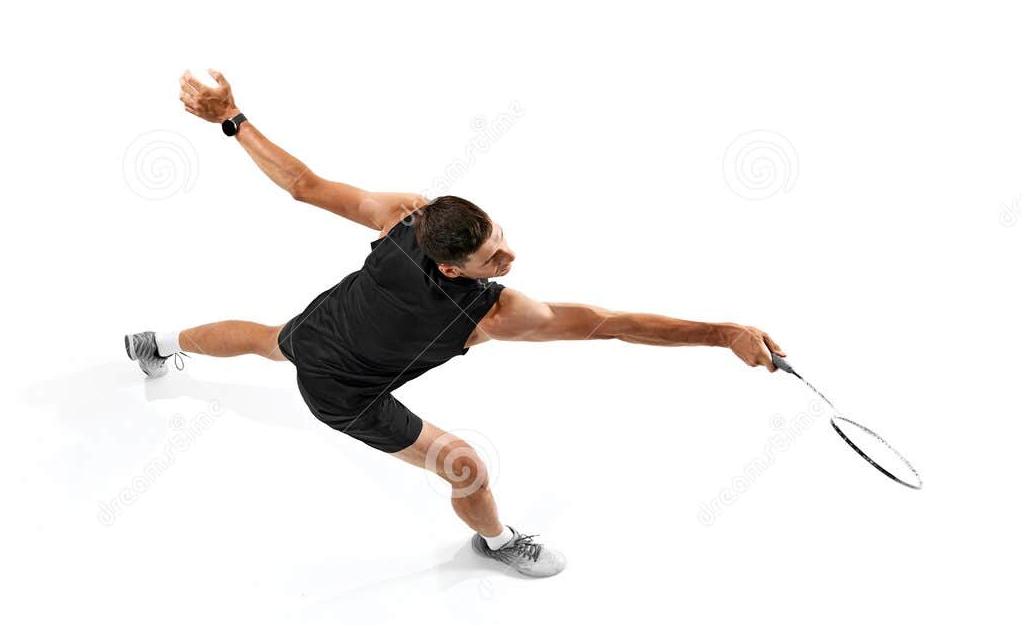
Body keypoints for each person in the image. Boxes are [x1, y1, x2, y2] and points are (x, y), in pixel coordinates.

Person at [125, 70, 785, 578]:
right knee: (465, 467)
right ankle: (495, 541)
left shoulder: (408, 218)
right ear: (450, 270)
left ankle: (158, 345)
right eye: (492, 256)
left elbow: (302, 184)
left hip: (320, 328)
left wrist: (233, 119)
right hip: (345, 396)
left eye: (501, 237)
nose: (509, 256)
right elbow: (610, 324)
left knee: (269, 341)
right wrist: (720, 333)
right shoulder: (491, 316)